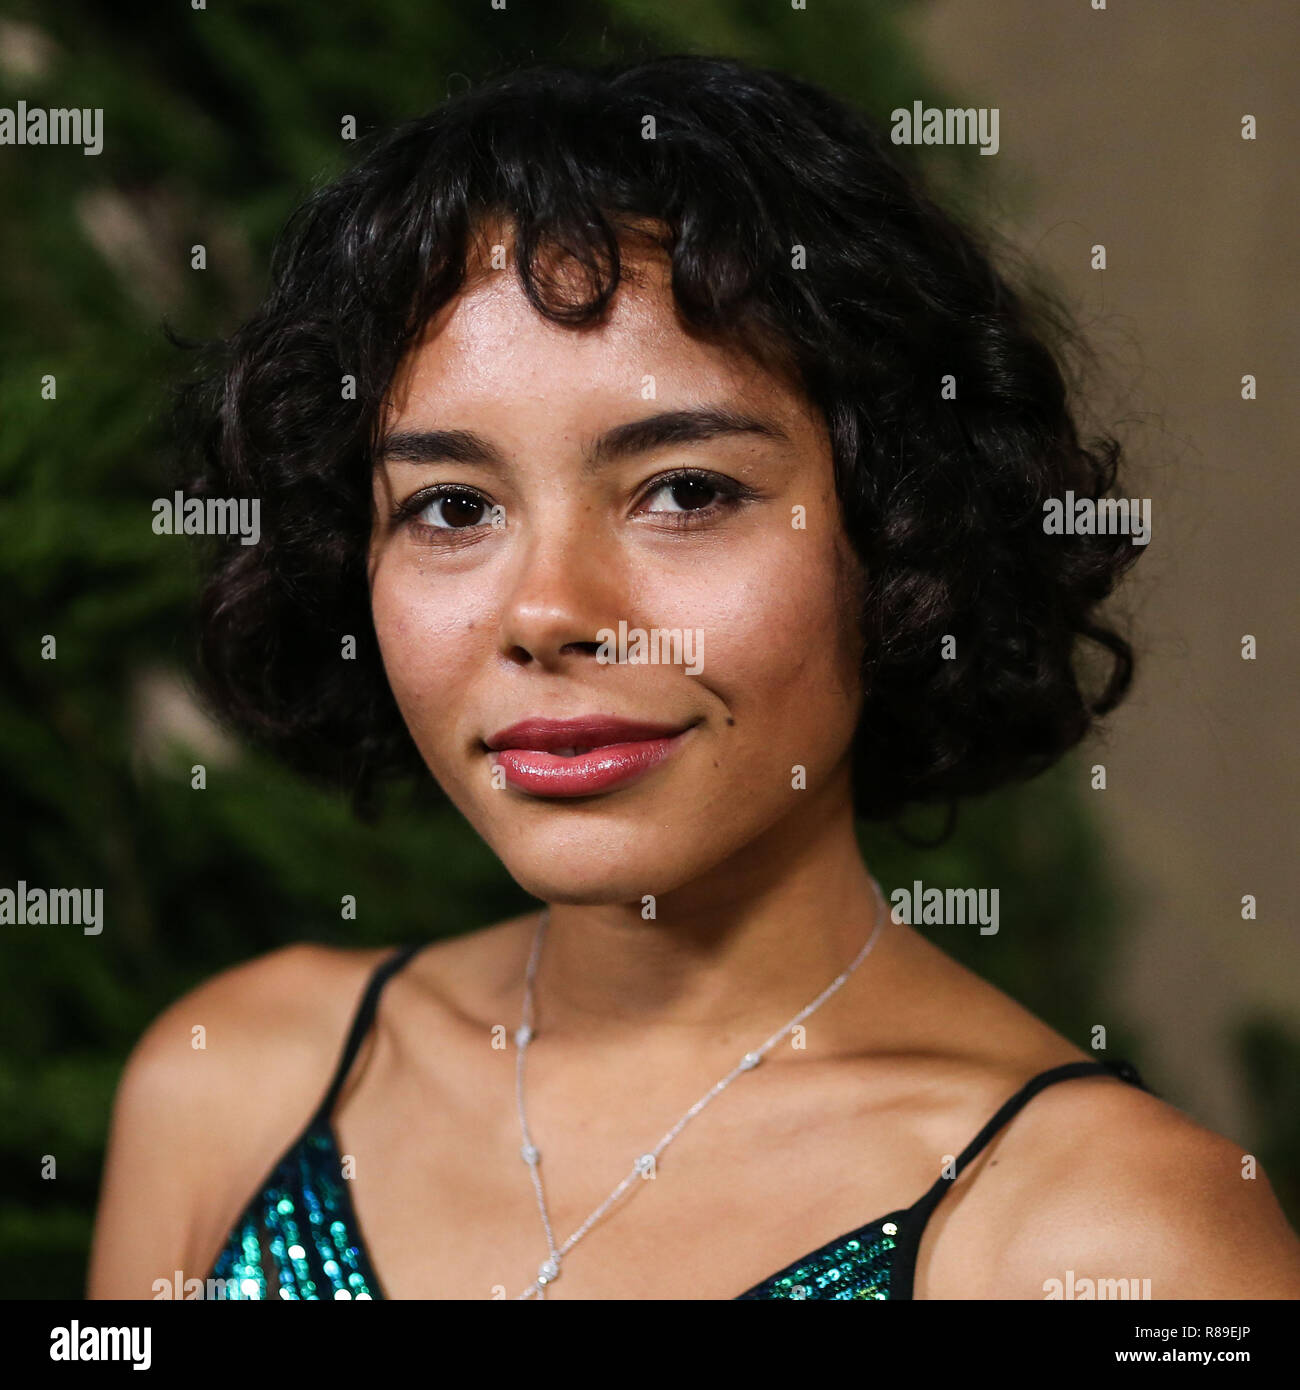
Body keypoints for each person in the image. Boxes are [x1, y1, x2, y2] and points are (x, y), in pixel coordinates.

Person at [88, 54, 1300, 1300]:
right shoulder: (229, 1086)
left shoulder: (1114, 1242)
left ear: (897, 537)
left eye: (685, 492)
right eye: (451, 506)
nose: (548, 611)